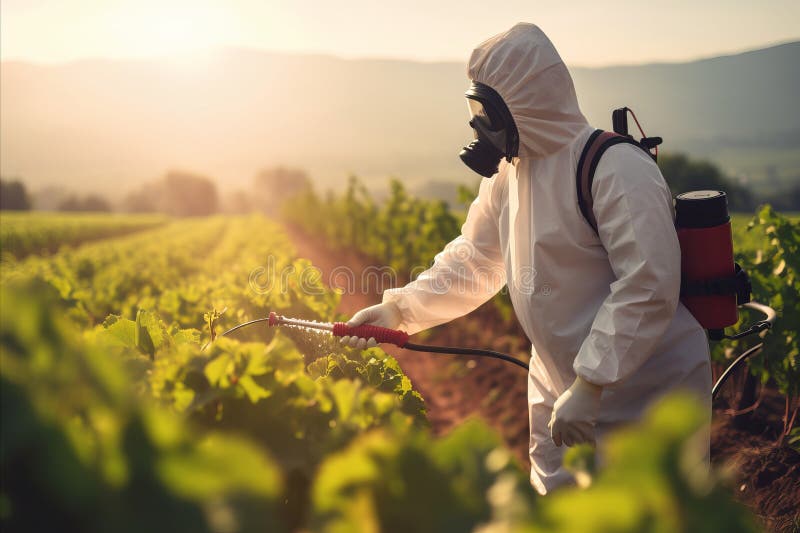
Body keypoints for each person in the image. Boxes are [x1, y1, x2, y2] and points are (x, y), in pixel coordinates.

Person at [340, 22, 711, 495]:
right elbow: (474, 261)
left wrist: (592, 382)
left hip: (647, 396)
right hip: (559, 387)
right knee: (557, 511)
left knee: (651, 514)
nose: (478, 125)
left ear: (525, 105)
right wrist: (399, 310)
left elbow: (648, 284)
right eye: (474, 109)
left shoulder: (613, 167)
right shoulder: (508, 175)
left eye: (487, 112)